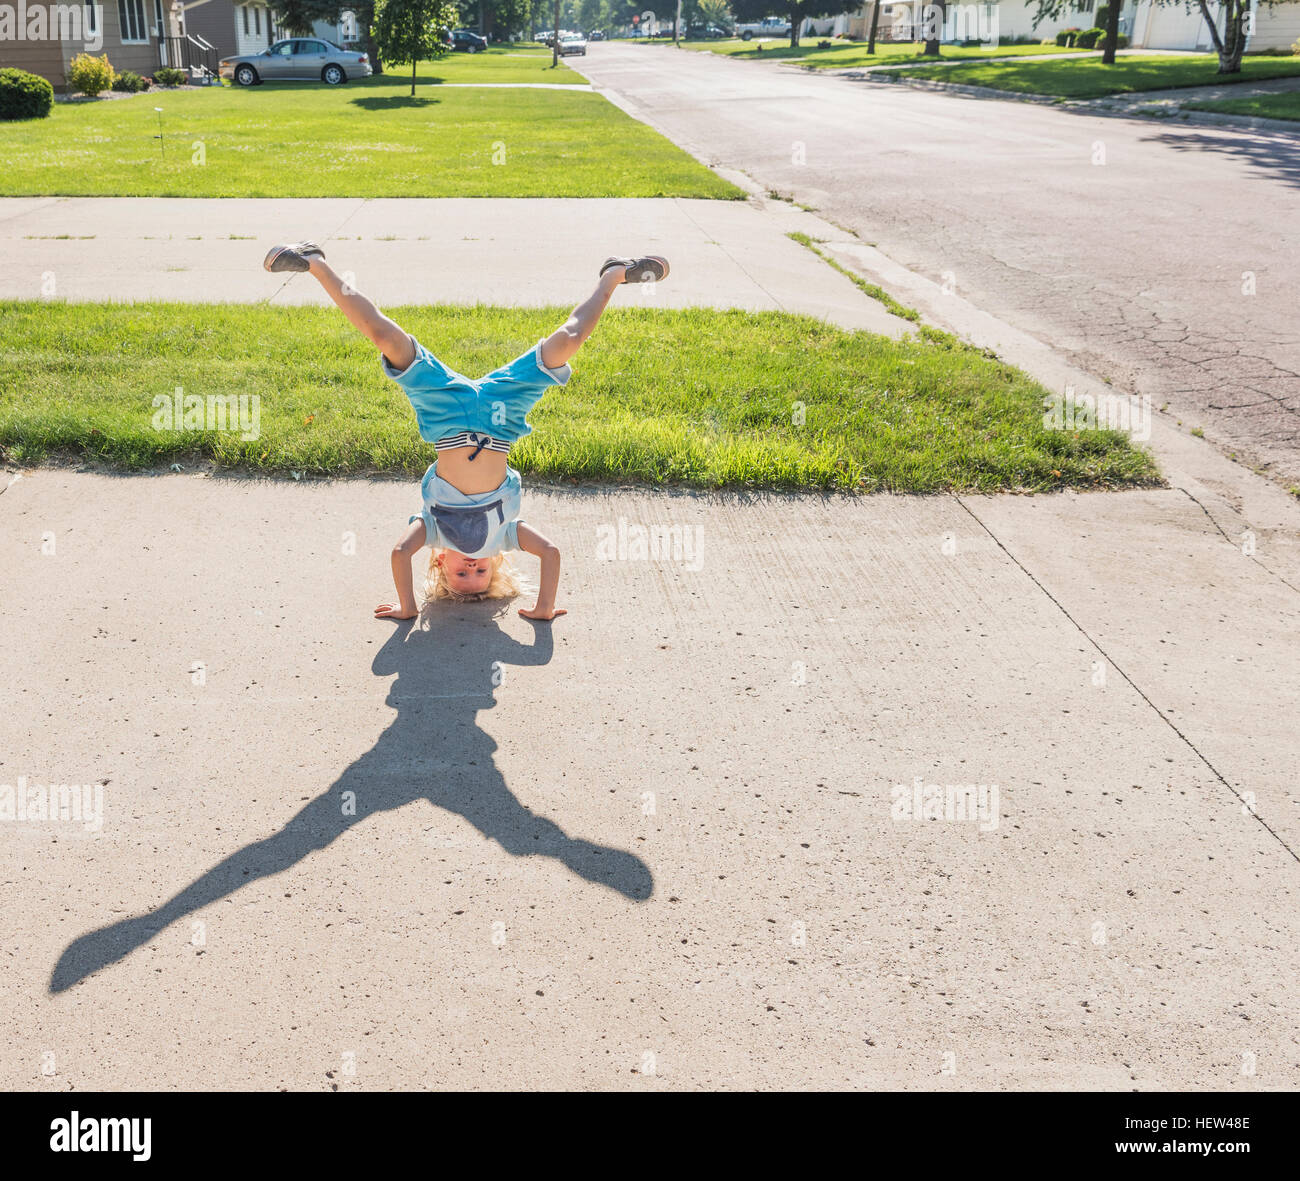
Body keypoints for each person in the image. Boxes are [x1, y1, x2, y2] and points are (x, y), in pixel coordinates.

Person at [263, 242, 669, 620]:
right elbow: (551, 552)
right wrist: (544, 608)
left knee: (385, 337)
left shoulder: (434, 531)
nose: (472, 570)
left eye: (462, 577)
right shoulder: (507, 536)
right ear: (496, 565)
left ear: (441, 563)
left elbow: (400, 552)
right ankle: (614, 274)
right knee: (569, 340)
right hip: (502, 417)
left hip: (445, 415)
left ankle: (314, 262)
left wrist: (408, 607)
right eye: (481, 576)